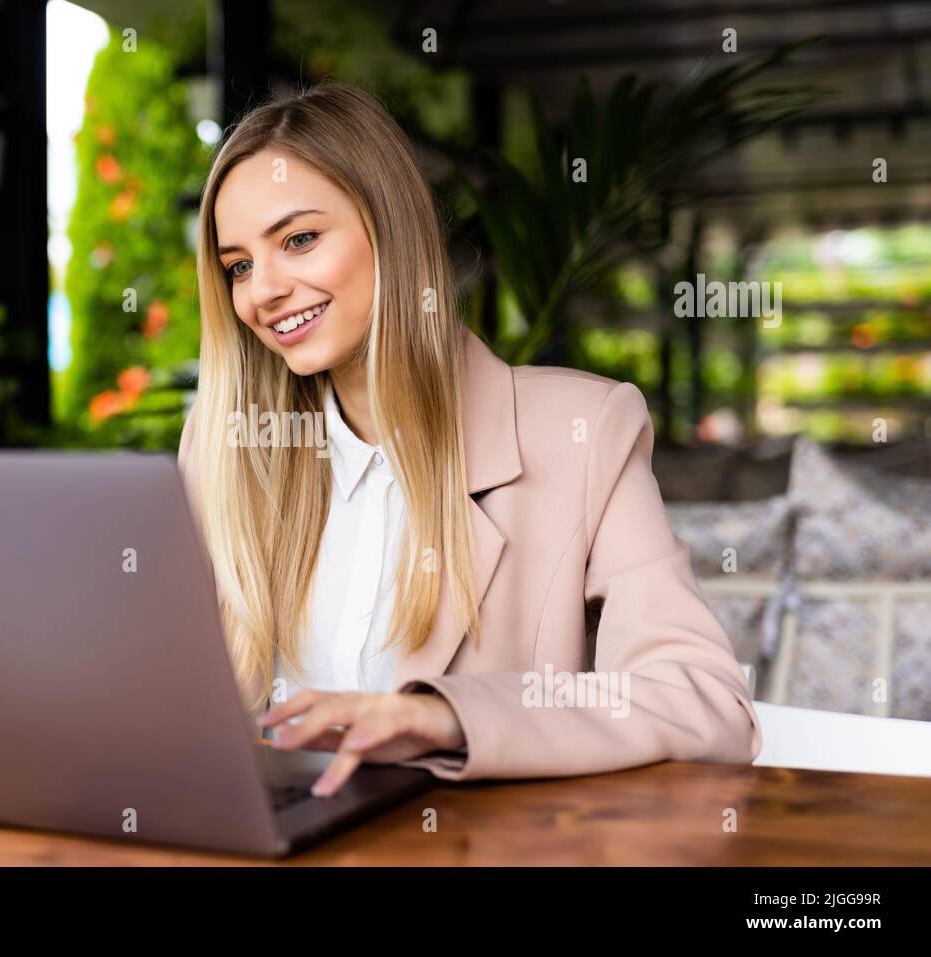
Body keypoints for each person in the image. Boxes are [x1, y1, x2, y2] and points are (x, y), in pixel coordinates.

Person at [177, 80, 761, 798]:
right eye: (238, 265)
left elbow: (704, 701)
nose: (262, 290)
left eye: (299, 239)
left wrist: (445, 717)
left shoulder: (581, 434)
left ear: (390, 230)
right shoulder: (224, 444)